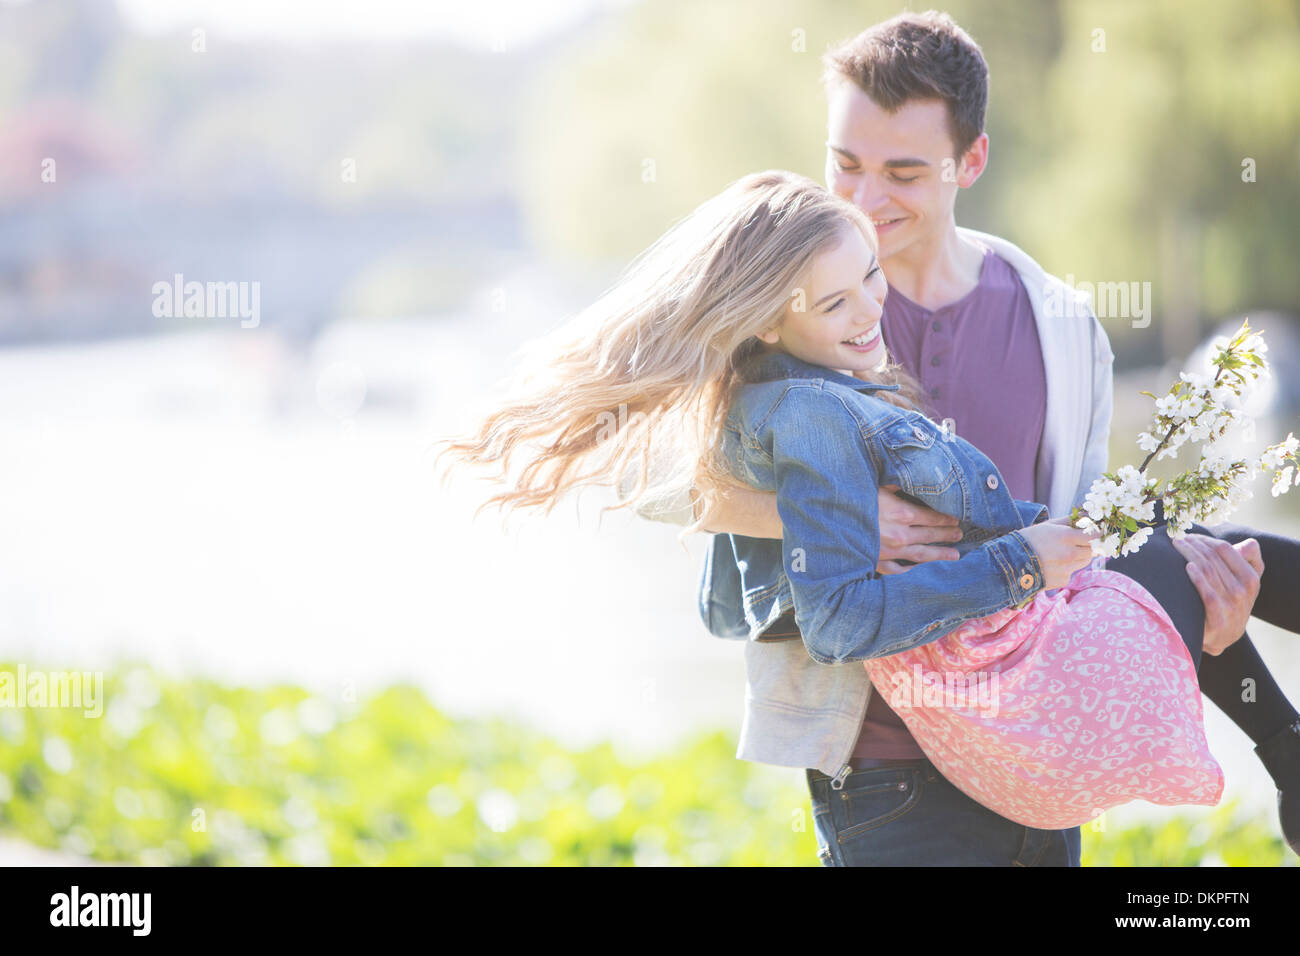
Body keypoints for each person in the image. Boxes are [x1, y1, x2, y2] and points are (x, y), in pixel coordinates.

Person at [437, 168, 1300, 864]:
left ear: (971, 159)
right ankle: (1285, 746)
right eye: (836, 302)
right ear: (769, 318)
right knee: (1194, 550)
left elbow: (736, 590)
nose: (868, 311)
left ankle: (1286, 748)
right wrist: (1020, 561)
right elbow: (840, 618)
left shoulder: (972, 335)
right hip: (955, 725)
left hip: (1006, 691)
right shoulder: (809, 411)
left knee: (1192, 547)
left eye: (869, 281)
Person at [637, 11, 1300, 865]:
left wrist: (1204, 614)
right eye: (846, 164)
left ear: (971, 162)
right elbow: (658, 475)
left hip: (1045, 750)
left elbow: (1077, 538)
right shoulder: (782, 309)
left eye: (903, 173)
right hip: (883, 771)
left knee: (1174, 547)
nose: (865, 200)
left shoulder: (1057, 320)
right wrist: (827, 517)